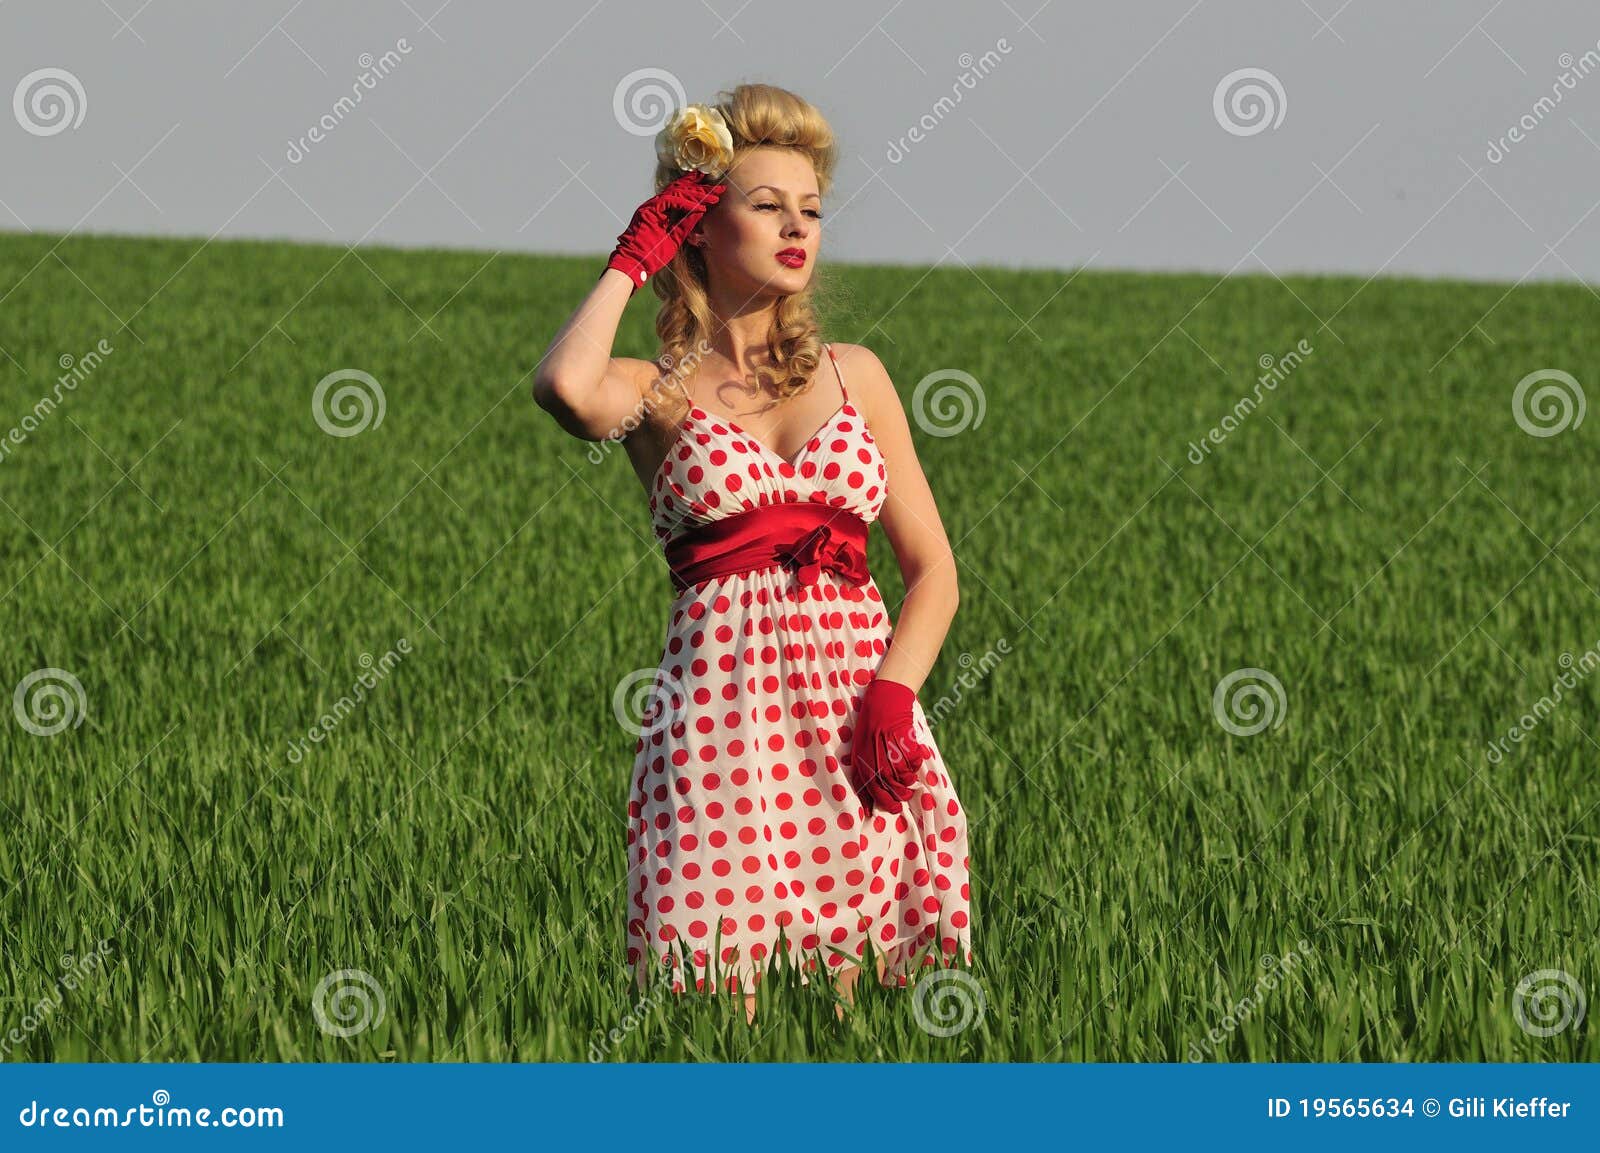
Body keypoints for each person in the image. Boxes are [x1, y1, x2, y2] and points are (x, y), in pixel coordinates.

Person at [534, 83, 972, 1026]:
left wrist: (894, 696)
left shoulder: (859, 375)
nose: (798, 227)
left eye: (811, 209)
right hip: (721, 732)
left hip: (859, 717)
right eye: (766, 205)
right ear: (698, 226)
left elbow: (934, 571)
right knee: (719, 1008)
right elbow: (565, 386)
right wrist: (632, 254)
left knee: (864, 1008)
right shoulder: (655, 392)